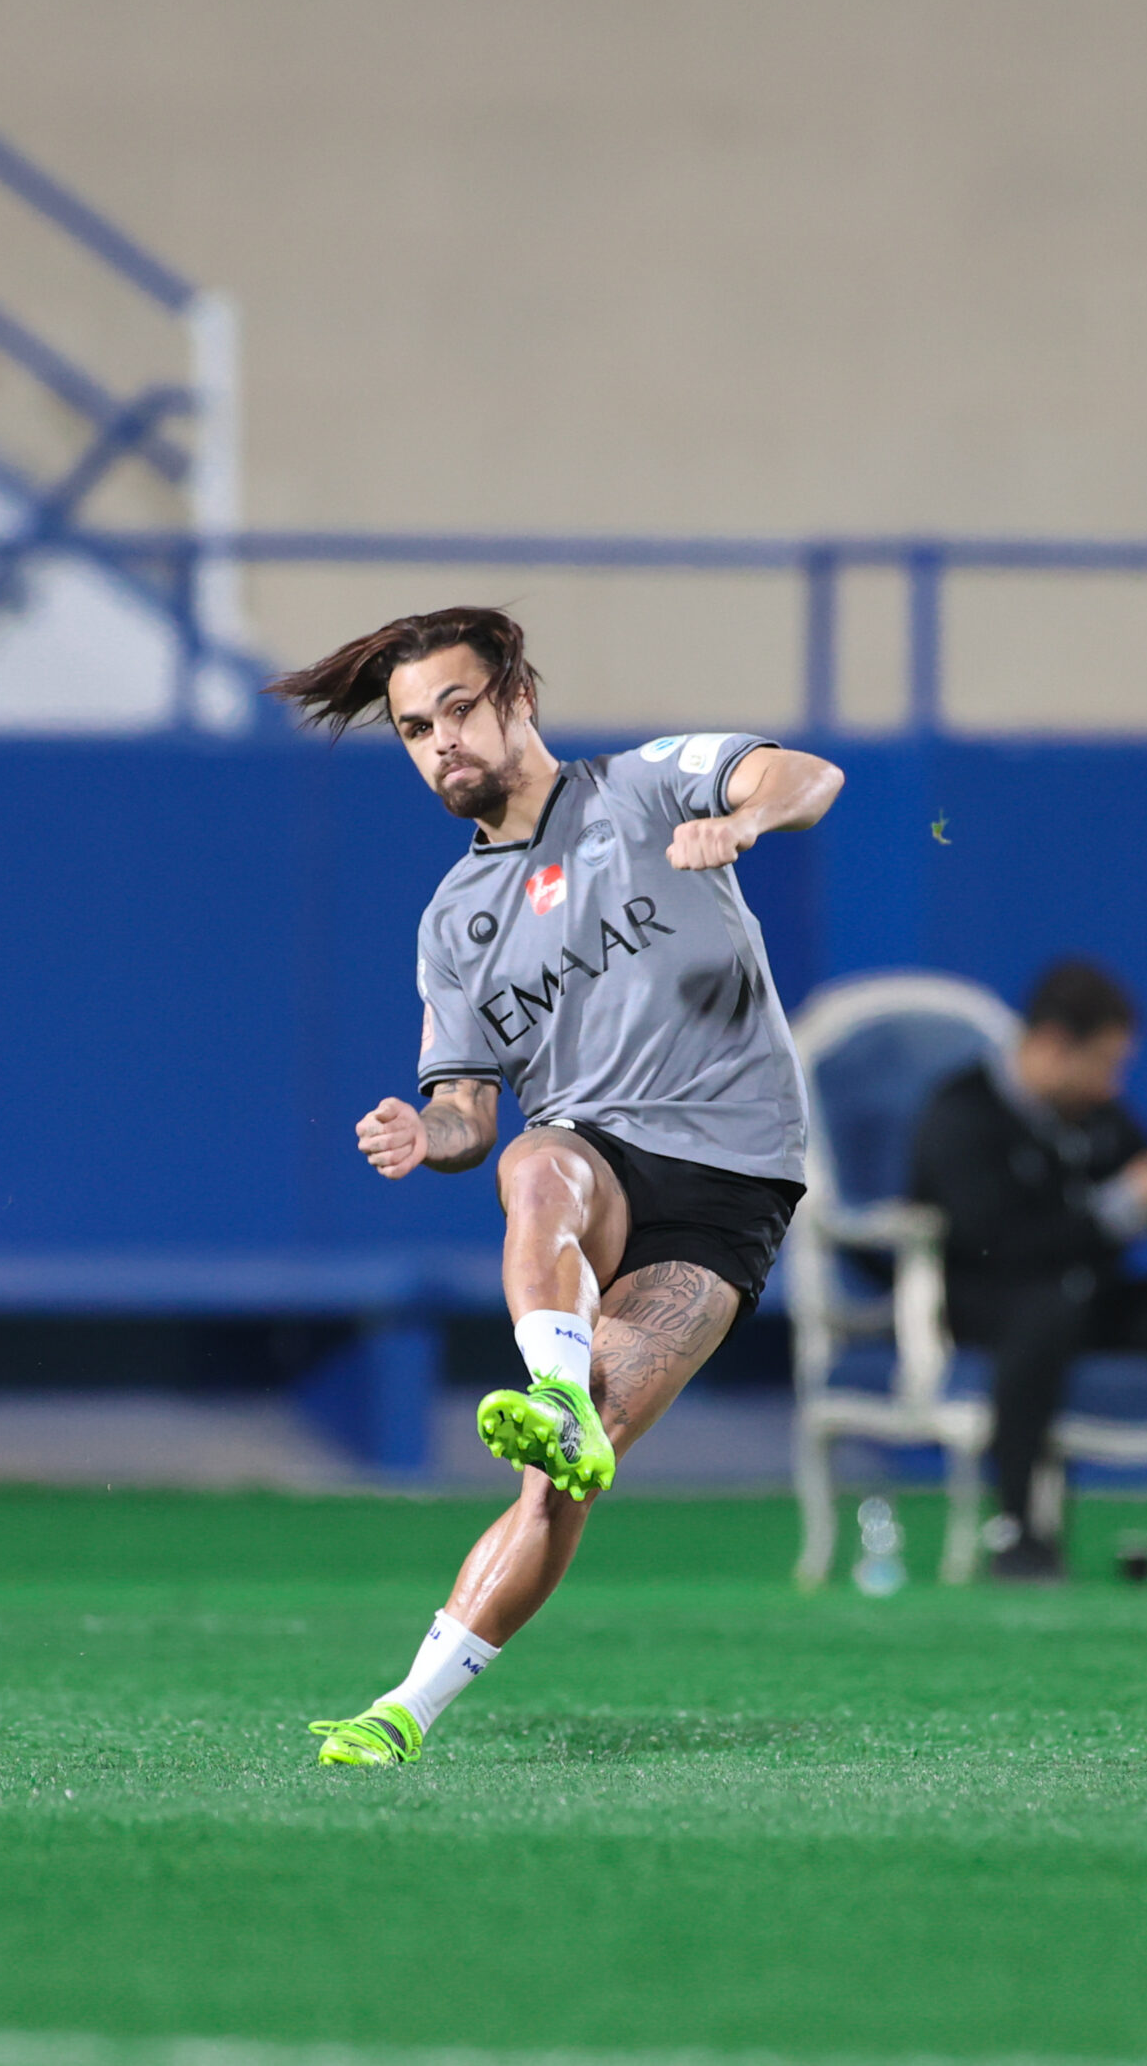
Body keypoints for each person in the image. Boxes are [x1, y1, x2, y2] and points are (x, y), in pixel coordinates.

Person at [270, 606, 843, 1769]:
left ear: (518, 696)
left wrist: (741, 819)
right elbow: (472, 1117)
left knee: (557, 1481)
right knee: (538, 1158)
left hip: (731, 1181)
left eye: (458, 710)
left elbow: (807, 773)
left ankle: (419, 1684)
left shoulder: (641, 787)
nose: (440, 743)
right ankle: (401, 1708)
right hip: (597, 1162)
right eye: (415, 728)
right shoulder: (452, 924)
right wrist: (420, 1130)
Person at [908, 959, 1147, 1581]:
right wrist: (1121, 1209)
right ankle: (1020, 1533)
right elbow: (995, 1242)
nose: (1111, 1085)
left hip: (1086, 1299)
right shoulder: (962, 1111)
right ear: (1052, 1046)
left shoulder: (1100, 1118)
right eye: (1104, 1064)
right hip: (984, 1303)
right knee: (1043, 1310)